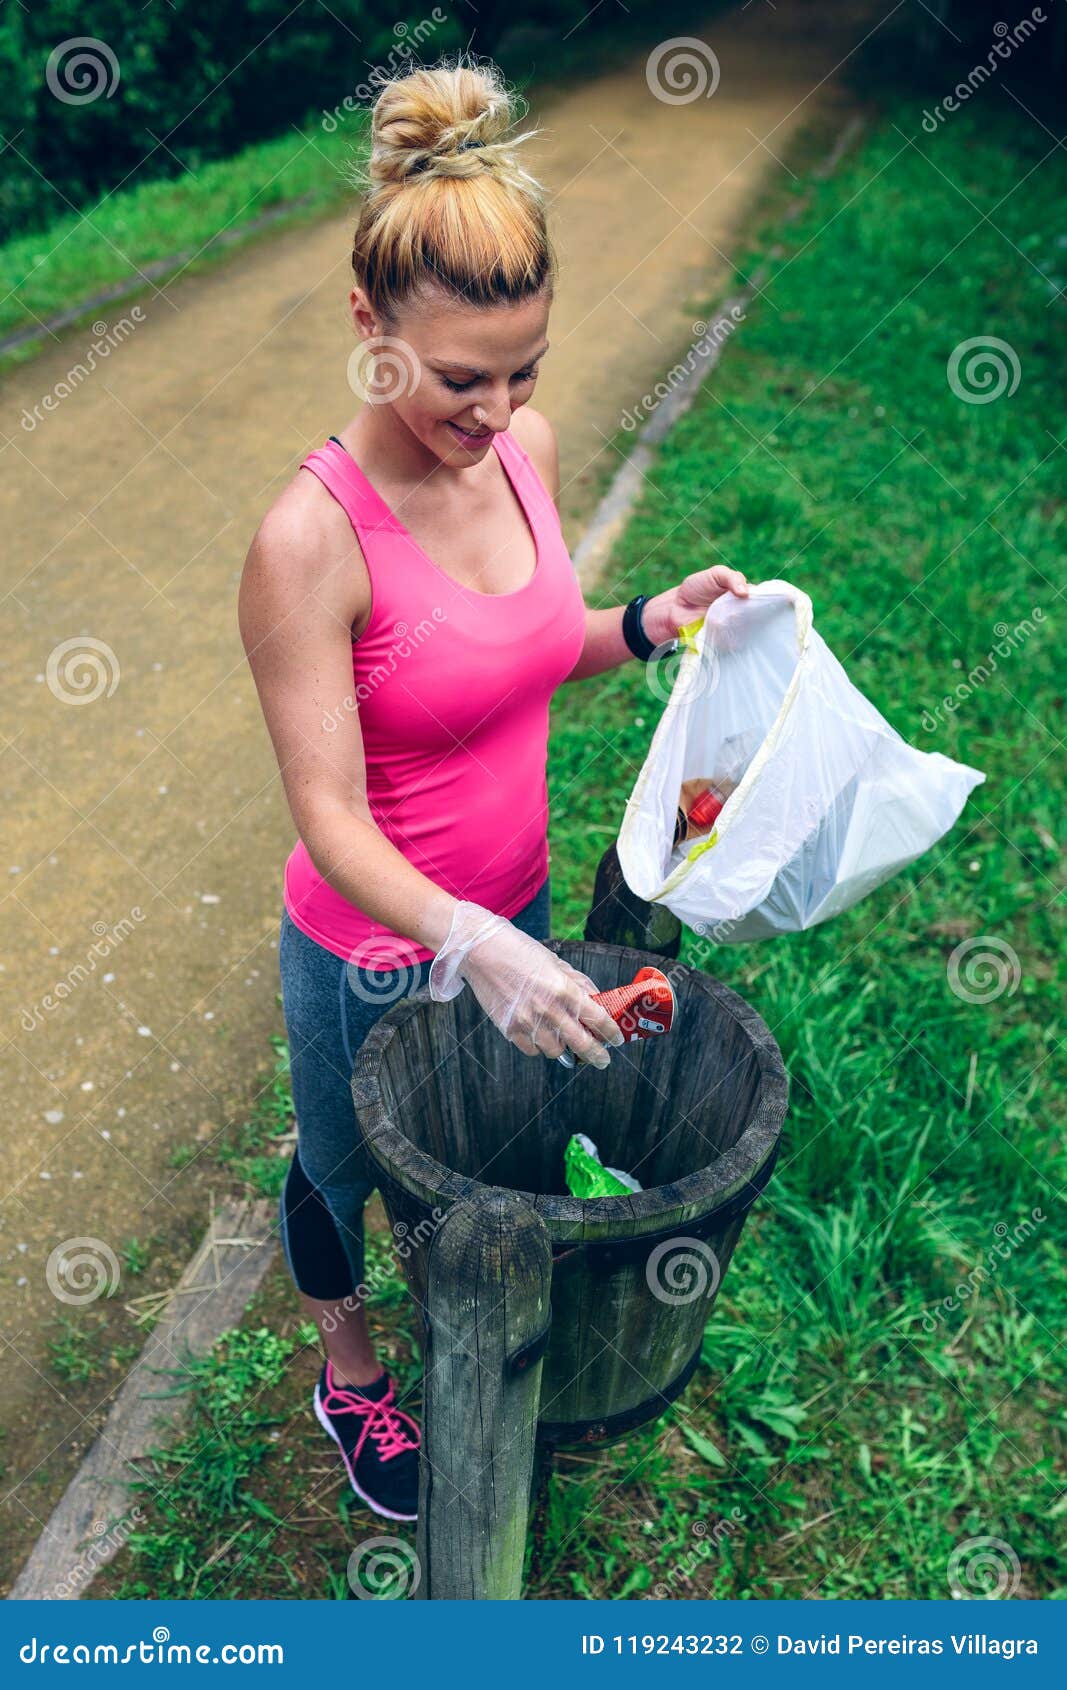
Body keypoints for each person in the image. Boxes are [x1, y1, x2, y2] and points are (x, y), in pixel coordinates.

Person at [238, 53, 749, 1523]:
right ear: (367, 324)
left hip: (510, 907)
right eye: (462, 377)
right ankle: (351, 1372)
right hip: (378, 948)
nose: (499, 406)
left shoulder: (519, 449)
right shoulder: (307, 539)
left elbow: (528, 648)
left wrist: (647, 622)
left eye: (525, 368)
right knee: (341, 1174)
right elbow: (332, 823)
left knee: (484, 1170)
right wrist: (466, 939)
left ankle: (490, 1341)